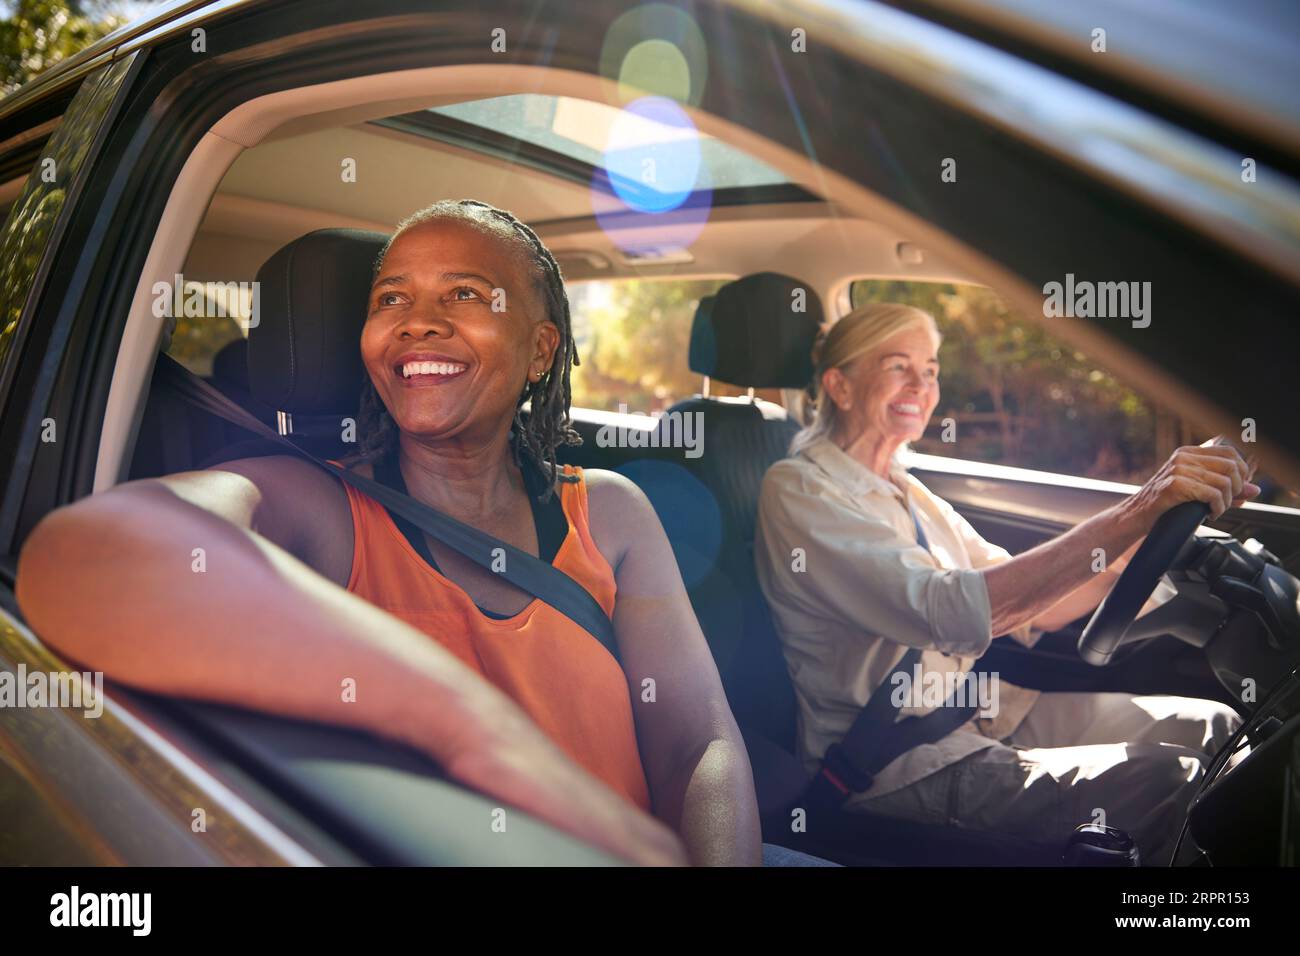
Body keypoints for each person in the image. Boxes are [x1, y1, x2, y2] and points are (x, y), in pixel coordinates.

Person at [19, 200, 788, 866]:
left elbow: (700, 743)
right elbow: (90, 554)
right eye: (391, 299)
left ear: (540, 350)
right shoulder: (316, 505)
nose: (418, 321)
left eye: (465, 293)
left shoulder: (610, 511)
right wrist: (477, 729)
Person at [754, 302, 1255, 865]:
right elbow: (958, 611)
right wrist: (1135, 513)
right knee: (1170, 779)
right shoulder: (799, 490)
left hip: (979, 709)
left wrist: (1140, 547)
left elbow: (1038, 606)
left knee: (1218, 726)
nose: (922, 384)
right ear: (839, 387)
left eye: (932, 368)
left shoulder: (909, 492)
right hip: (887, 758)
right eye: (899, 366)